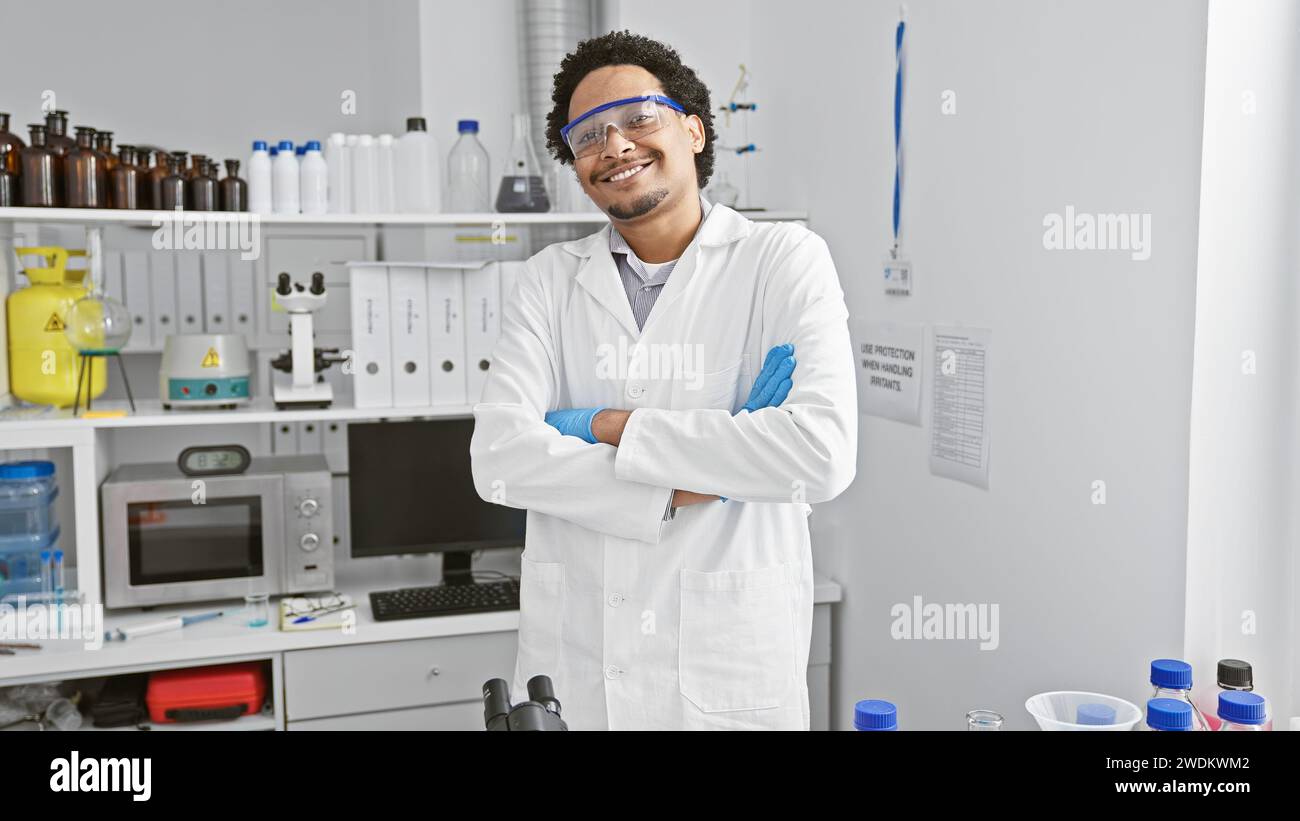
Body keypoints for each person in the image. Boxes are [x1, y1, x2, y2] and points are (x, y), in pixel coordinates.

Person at [470, 30, 856, 730]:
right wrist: (716, 468)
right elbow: (498, 461)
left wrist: (600, 426)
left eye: (639, 117)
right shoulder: (545, 283)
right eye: (588, 136)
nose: (614, 145)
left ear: (694, 128)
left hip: (727, 675)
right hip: (578, 666)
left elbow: (819, 454)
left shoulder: (784, 260)